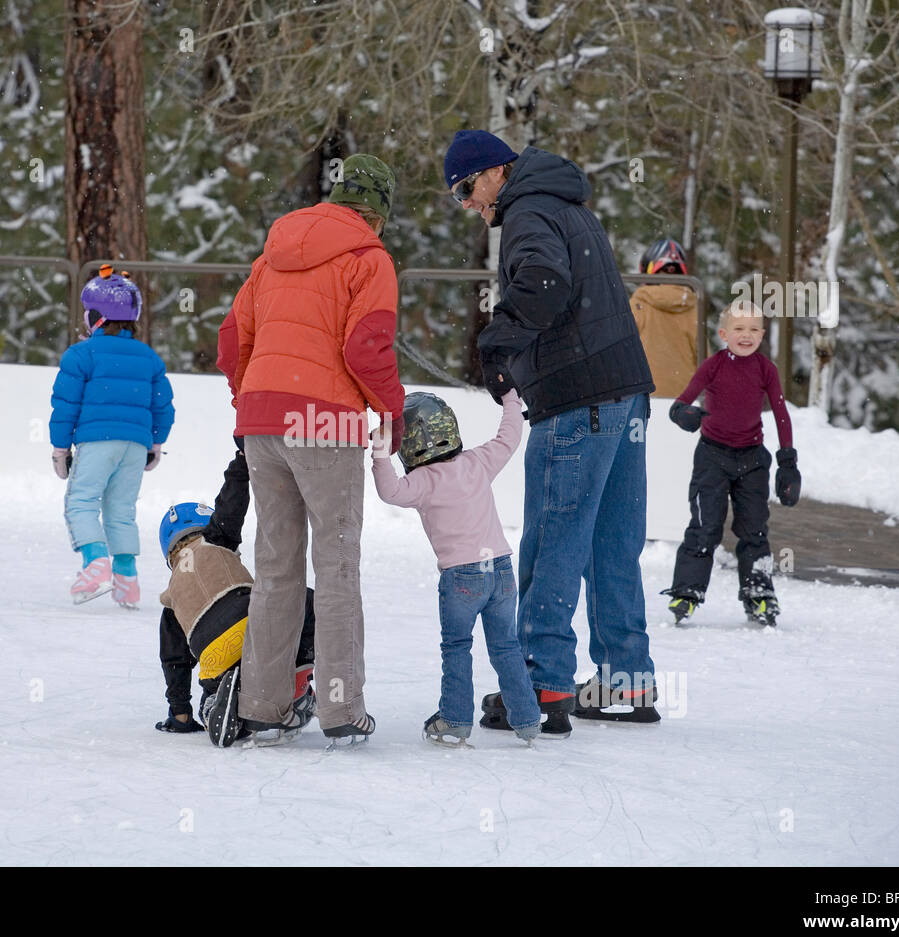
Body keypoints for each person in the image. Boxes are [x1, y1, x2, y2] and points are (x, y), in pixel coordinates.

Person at [443, 128, 658, 728]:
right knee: (613, 542)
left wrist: (497, 343)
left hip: (578, 400)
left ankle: (542, 683)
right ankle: (627, 679)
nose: (468, 205)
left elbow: (543, 282)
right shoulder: (565, 204)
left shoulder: (528, 211)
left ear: (495, 172)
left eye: (466, 188)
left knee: (554, 539)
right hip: (625, 396)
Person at [216, 153, 405, 747]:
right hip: (325, 423)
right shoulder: (368, 259)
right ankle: (341, 709)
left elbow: (230, 341)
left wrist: (250, 400)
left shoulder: (271, 255)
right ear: (377, 213)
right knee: (338, 565)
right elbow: (364, 348)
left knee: (276, 569)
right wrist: (392, 408)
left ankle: (263, 708)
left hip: (263, 422)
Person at [370, 389, 541, 746]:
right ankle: (526, 719)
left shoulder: (421, 482)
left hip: (461, 579)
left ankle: (456, 719)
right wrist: (511, 399)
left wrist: (381, 454)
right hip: (501, 571)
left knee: (457, 647)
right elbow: (508, 437)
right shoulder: (477, 462)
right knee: (506, 647)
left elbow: (389, 492)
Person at [154, 444, 316, 747]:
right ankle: (296, 678)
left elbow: (173, 660)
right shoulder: (217, 540)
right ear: (205, 526)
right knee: (303, 601)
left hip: (211, 651)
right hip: (251, 622)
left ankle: (215, 702)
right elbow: (232, 499)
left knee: (213, 681)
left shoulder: (171, 597)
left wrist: (180, 714)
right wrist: (241, 461)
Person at [662, 299, 801, 626]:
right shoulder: (713, 365)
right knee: (705, 526)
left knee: (754, 531)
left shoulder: (766, 369)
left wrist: (787, 460)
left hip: (752, 460)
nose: (746, 335)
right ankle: (687, 592)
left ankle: (759, 595)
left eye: (754, 329)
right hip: (712, 456)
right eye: (739, 329)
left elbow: (781, 413)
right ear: (724, 333)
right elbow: (682, 402)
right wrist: (684, 414)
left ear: (763, 334)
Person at [50, 266, 174, 606]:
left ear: (97, 318)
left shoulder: (81, 354)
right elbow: (163, 405)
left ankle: (95, 563)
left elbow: (65, 406)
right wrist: (155, 443)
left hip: (97, 441)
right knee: (121, 509)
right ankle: (127, 581)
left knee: (81, 501)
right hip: (135, 446)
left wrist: (60, 450)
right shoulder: (149, 358)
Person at [630, 238, 700, 399]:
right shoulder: (694, 309)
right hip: (685, 401)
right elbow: (705, 361)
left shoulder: (637, 306)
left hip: (643, 398)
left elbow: (618, 355)